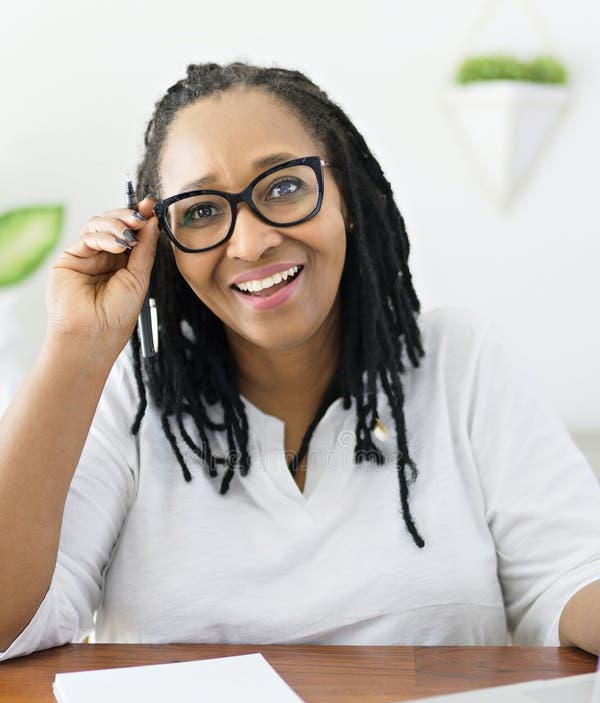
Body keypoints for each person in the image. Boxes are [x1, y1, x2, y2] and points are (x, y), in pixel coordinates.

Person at [1, 61, 599, 662]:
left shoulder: (459, 363)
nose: (252, 242)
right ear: (164, 245)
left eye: (284, 187)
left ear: (348, 198)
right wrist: (75, 344)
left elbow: (571, 578)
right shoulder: (133, 397)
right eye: (202, 210)